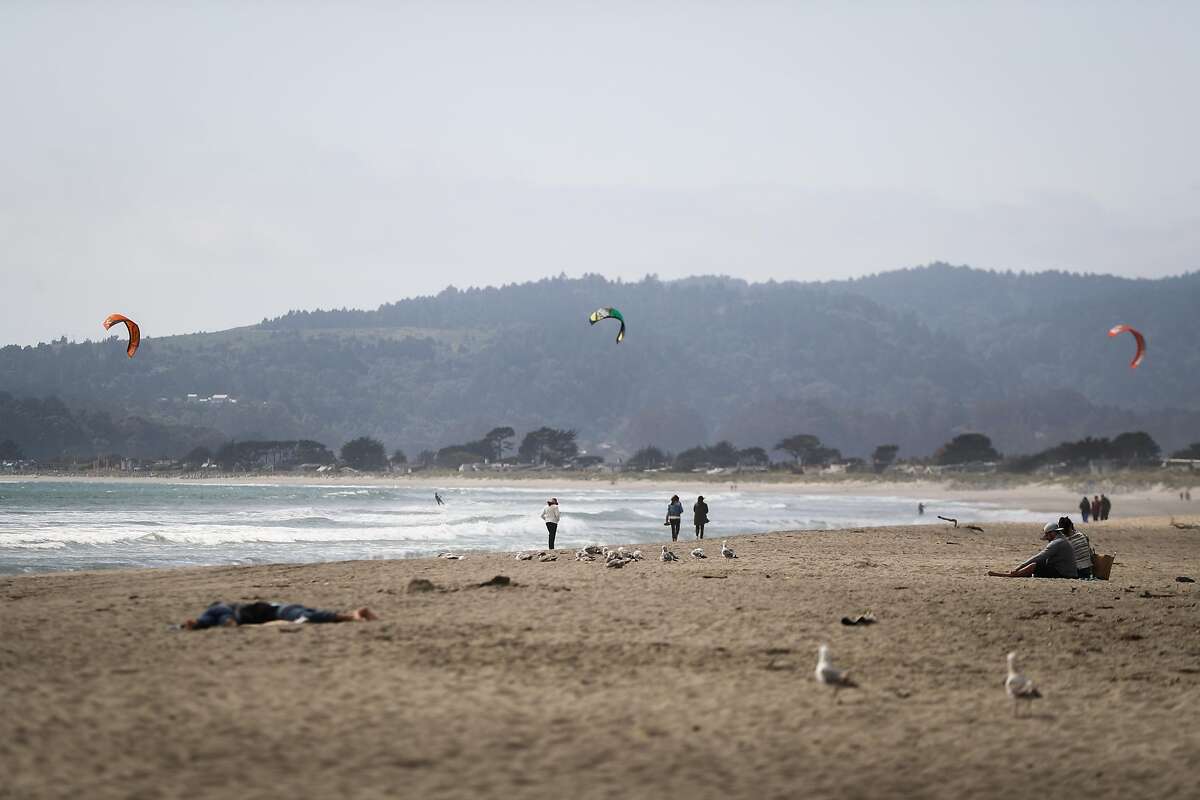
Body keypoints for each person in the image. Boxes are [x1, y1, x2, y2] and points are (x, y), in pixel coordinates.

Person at [183, 601, 378, 629]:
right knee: (312, 617)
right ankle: (355, 615)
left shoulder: (221, 609)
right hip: (284, 610)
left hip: (282, 611)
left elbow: (223, 615)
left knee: (308, 619)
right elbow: (208, 621)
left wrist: (228, 621)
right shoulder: (213, 620)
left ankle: (354, 616)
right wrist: (196, 624)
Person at [987, 521, 1077, 579]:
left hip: (1064, 574)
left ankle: (1012, 575)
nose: (1047, 538)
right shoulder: (1062, 539)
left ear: (1053, 533)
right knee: (1039, 565)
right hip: (1068, 572)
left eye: (1048, 535)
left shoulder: (1057, 542)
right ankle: (1023, 573)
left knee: (1034, 565)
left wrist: (1019, 567)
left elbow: (1039, 556)